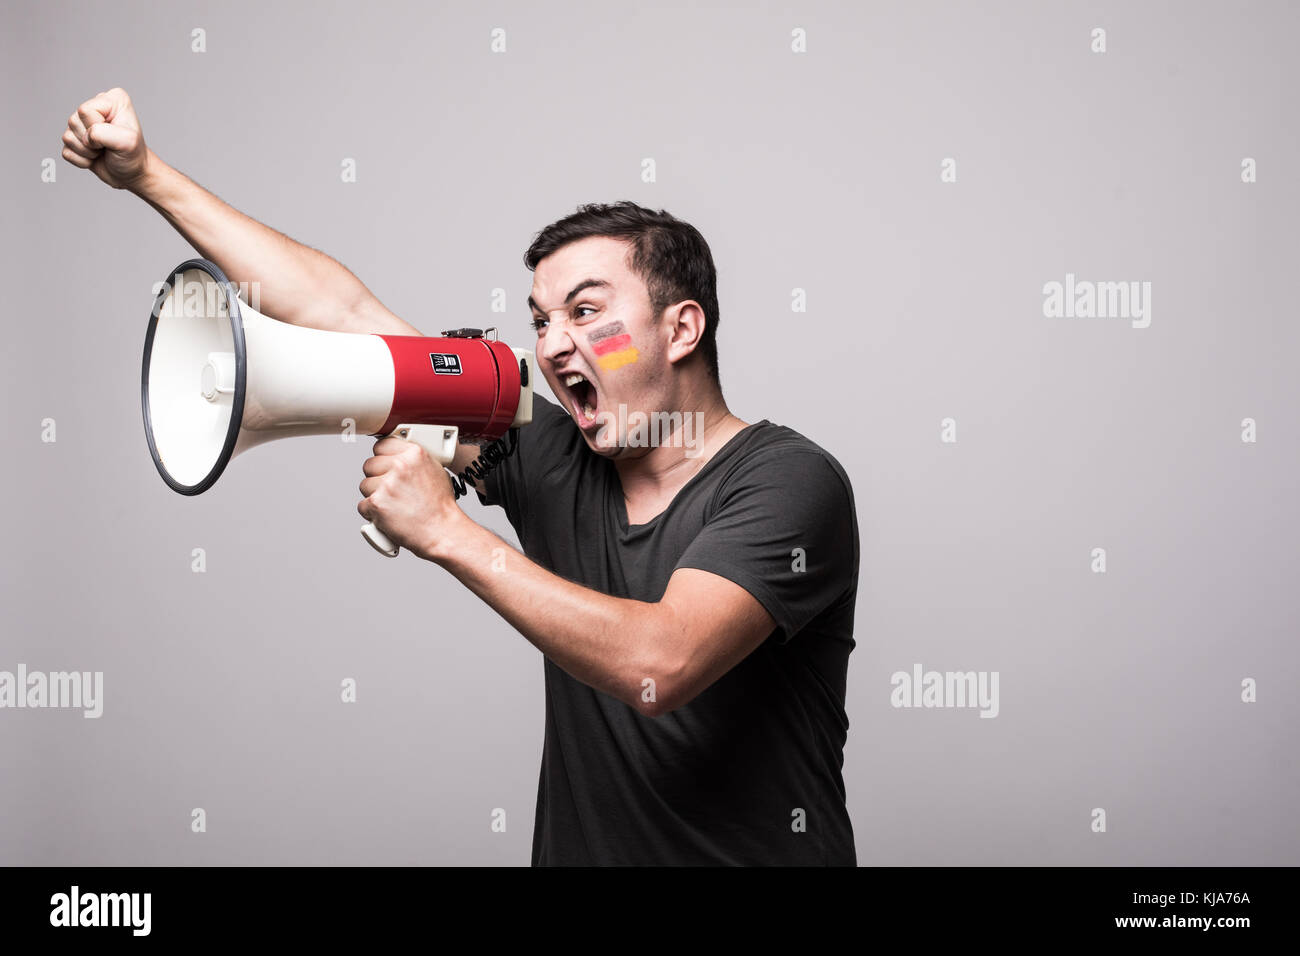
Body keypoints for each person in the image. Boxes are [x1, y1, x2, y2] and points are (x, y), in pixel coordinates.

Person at [63, 88, 861, 866]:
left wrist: (450, 534)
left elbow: (662, 664)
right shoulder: (553, 456)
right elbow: (346, 317)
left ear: (682, 327)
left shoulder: (790, 482)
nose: (550, 346)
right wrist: (146, 173)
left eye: (585, 313)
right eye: (541, 320)